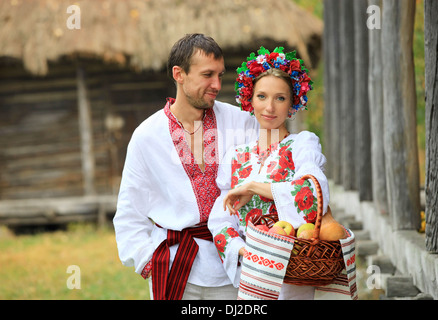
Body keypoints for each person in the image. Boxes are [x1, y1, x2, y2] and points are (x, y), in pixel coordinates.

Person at [113, 33, 259, 300]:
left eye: (220, 75)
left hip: (234, 269)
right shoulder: (146, 136)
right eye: (207, 75)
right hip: (174, 271)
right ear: (178, 74)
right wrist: (150, 261)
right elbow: (128, 214)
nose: (216, 84)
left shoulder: (242, 122)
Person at [208, 46, 330, 300]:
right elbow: (220, 219)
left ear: (293, 102)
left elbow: (311, 196)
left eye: (280, 98)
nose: (270, 107)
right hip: (251, 276)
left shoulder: (302, 145)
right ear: (249, 100)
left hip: (293, 278)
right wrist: (243, 252)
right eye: (262, 96)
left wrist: (252, 187)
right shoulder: (235, 156)